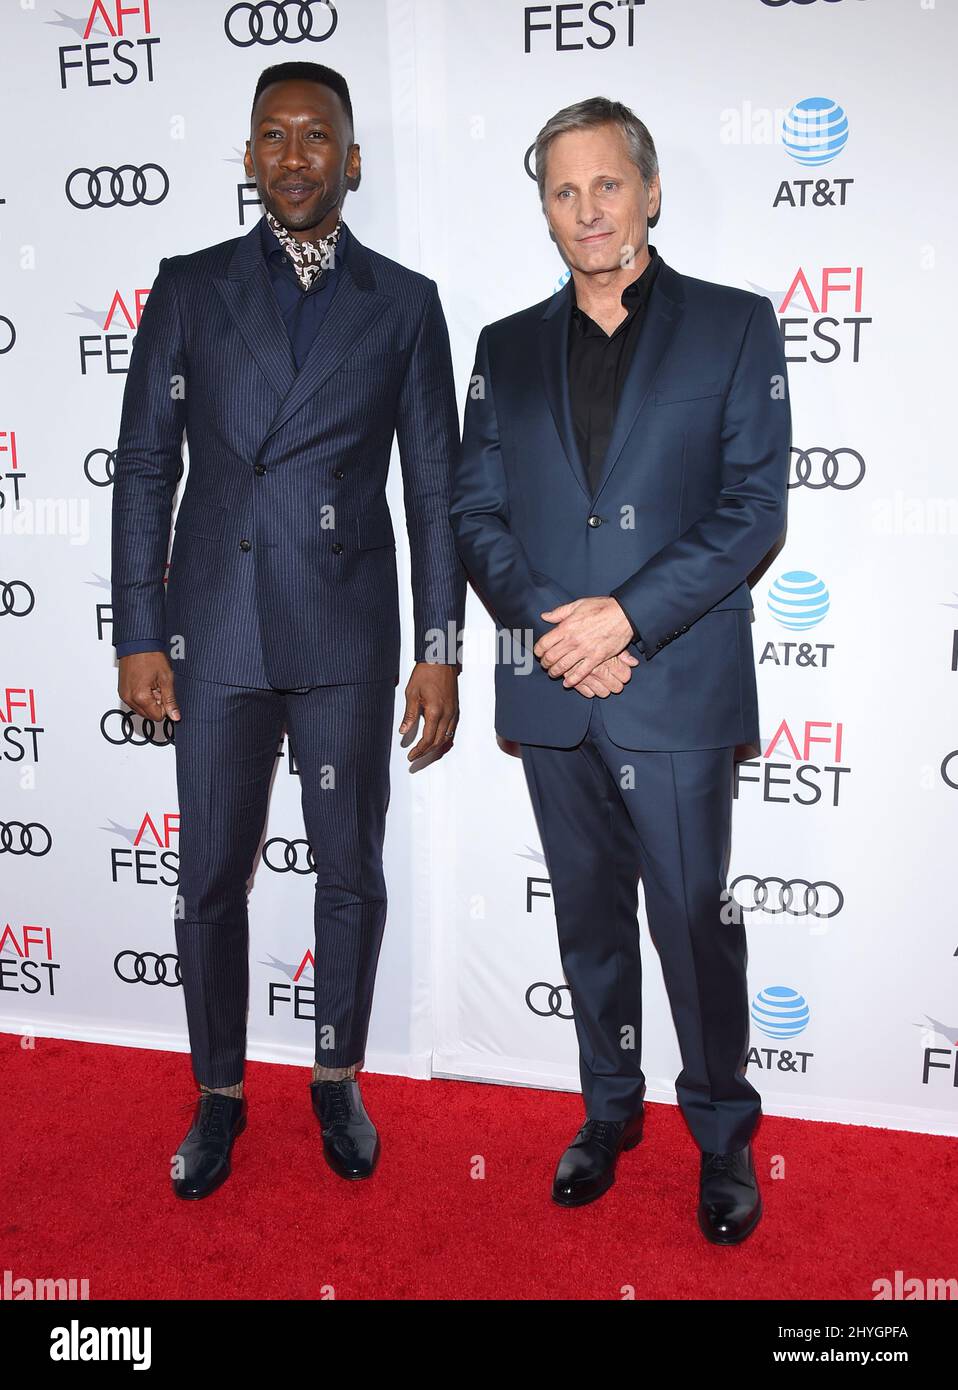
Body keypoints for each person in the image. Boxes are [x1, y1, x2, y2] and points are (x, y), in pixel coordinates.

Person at [111, 61, 464, 1200]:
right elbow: (145, 471)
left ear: (352, 160)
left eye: (320, 137)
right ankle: (217, 1092)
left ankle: (334, 1073)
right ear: (250, 156)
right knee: (210, 873)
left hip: (345, 636)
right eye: (276, 136)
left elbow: (432, 494)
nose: (298, 156)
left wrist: (440, 647)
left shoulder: (405, 304)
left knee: (347, 869)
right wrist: (139, 630)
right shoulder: (188, 285)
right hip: (214, 628)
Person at [450, 97, 790, 1244]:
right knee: (589, 921)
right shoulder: (501, 348)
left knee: (693, 922)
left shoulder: (734, 327)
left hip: (677, 688)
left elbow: (753, 509)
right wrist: (558, 626)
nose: (587, 209)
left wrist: (627, 622)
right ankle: (607, 1114)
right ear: (542, 207)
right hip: (555, 688)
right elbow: (474, 508)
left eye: (607, 185)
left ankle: (723, 1137)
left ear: (648, 191)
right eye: (563, 190)